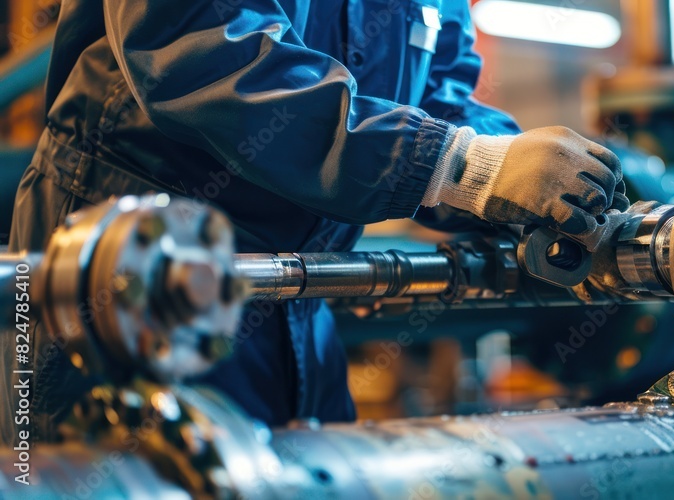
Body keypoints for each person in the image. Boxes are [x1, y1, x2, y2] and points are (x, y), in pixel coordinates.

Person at [0, 0, 625, 442]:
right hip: (131, 283)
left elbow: (438, 101)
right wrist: (465, 166)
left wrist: (528, 175)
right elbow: (203, 48)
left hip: (300, 299)